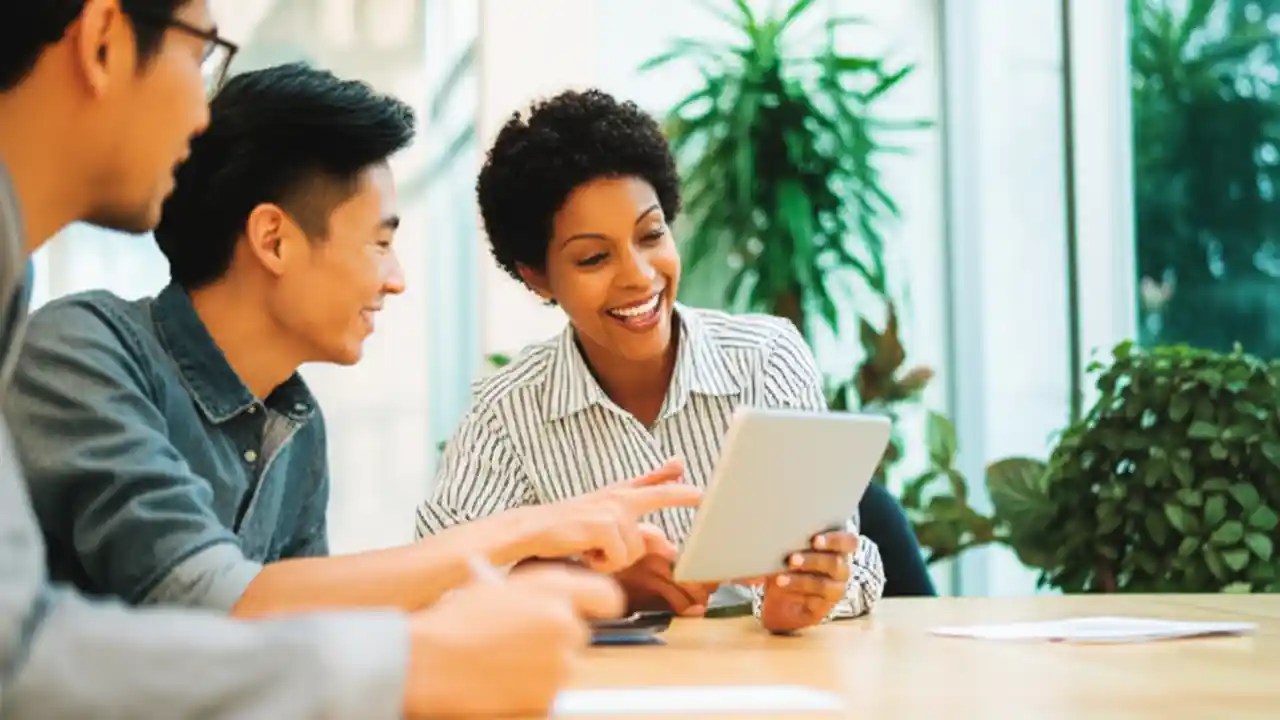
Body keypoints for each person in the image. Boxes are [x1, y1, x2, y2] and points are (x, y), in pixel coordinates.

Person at [0, 2, 625, 717]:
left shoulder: (295, 419)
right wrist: (525, 530)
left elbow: (300, 639)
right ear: (273, 239)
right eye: (380, 241)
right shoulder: (81, 348)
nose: (397, 279)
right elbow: (214, 607)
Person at [417, 89, 886, 634]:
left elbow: (844, 552)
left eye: (651, 234)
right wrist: (594, 583)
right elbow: (432, 587)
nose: (638, 274)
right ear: (538, 276)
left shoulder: (766, 358)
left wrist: (802, 599)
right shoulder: (508, 411)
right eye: (594, 257)